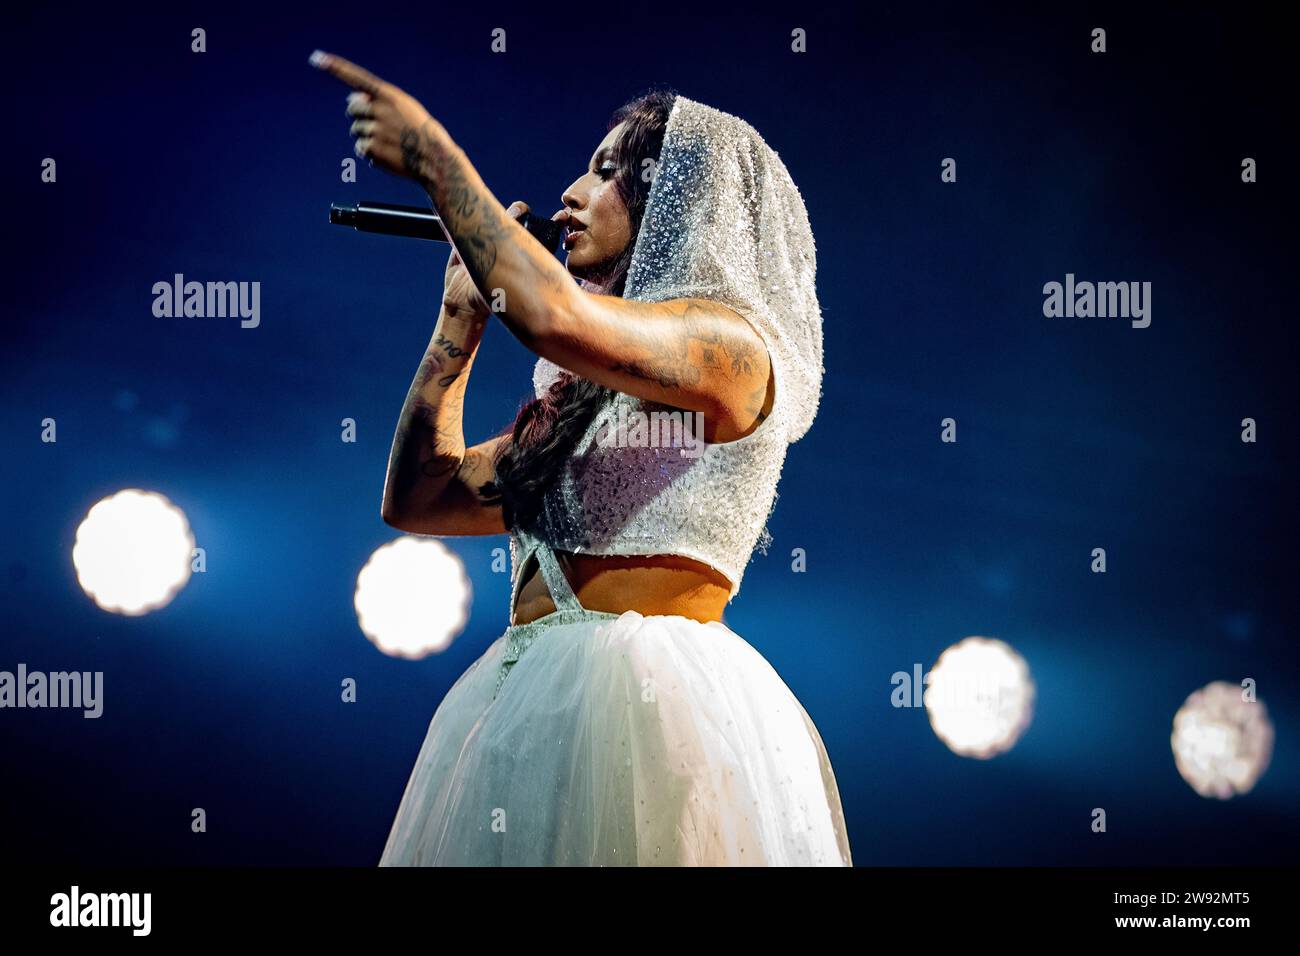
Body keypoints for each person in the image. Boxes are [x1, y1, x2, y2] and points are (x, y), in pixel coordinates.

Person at [311, 51, 852, 866]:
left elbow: (553, 316)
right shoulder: (586, 401)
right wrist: (458, 323)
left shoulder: (733, 349)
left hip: (646, 715)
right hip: (531, 710)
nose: (571, 192)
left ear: (683, 204)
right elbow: (419, 500)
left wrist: (436, 161)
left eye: (608, 172)